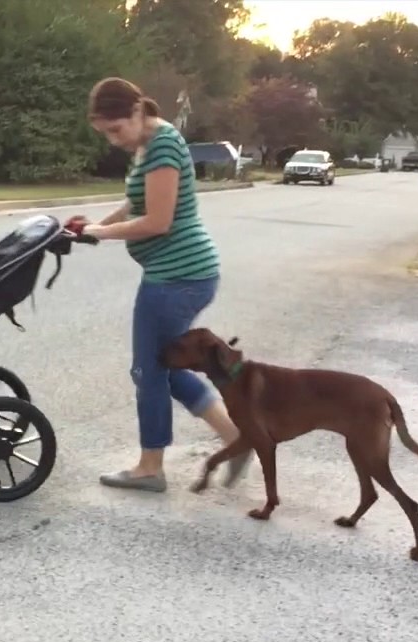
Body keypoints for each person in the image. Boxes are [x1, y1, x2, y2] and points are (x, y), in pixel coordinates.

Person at [71, 76, 247, 493]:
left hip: (178, 278)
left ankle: (151, 467)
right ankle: (238, 438)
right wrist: (95, 225)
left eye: (115, 130)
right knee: (163, 369)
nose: (113, 140)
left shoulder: (164, 144)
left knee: (147, 371)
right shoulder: (148, 145)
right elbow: (138, 201)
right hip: (179, 275)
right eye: (105, 133)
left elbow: (158, 222)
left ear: (136, 111)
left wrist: (100, 233)